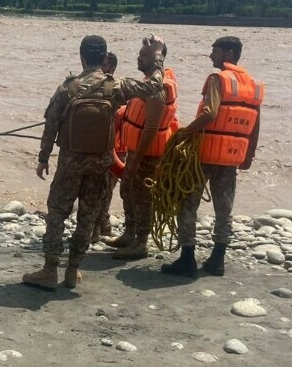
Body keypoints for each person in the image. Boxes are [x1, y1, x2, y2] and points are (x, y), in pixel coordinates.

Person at [22, 35, 166, 290]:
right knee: (87, 219)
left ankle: (49, 269)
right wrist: (157, 56)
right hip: (100, 166)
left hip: (69, 164)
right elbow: (154, 86)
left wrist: (43, 158)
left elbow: (51, 125)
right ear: (104, 57)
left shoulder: (67, 88)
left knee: (57, 214)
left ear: (81, 56)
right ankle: (73, 270)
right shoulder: (116, 86)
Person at [162, 36, 262, 278]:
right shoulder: (254, 85)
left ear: (228, 52)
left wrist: (184, 133)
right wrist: (248, 155)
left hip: (205, 155)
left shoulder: (219, 79)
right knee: (224, 209)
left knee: (187, 202)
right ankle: (218, 260)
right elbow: (255, 124)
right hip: (230, 157)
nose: (210, 56)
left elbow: (210, 113)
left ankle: (187, 259)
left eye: (214, 51)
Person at [107, 37, 178, 259]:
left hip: (147, 155)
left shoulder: (159, 88)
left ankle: (141, 242)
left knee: (141, 197)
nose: (139, 57)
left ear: (157, 58)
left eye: (144, 55)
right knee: (126, 191)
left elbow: (151, 127)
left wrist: (137, 159)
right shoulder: (147, 82)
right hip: (136, 152)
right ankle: (129, 234)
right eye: (139, 53)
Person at [91, 51, 120, 242]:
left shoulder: (117, 89)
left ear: (112, 68)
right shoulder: (90, 85)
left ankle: (99, 228)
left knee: (105, 189)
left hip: (114, 148)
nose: (101, 68)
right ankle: (101, 226)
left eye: (105, 65)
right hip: (95, 145)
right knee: (96, 188)